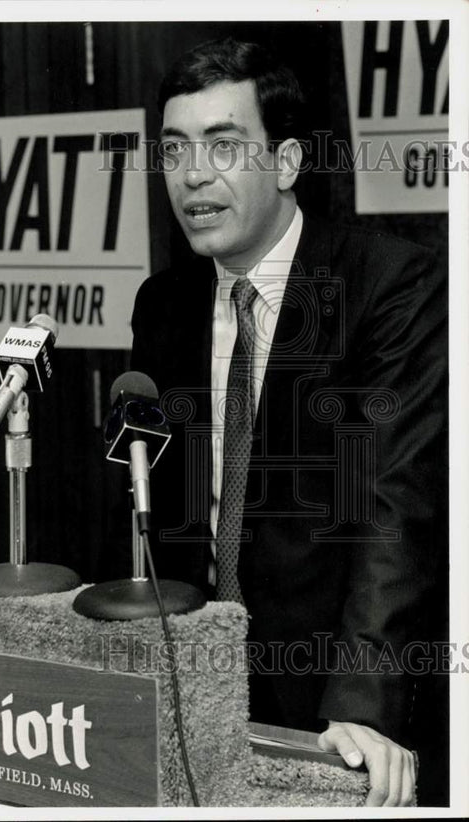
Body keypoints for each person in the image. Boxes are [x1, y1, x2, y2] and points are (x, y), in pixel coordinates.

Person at [130, 38, 447, 807]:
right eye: (174, 150)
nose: (193, 175)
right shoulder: (163, 305)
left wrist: (362, 702)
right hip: (196, 692)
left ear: (288, 161)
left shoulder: (389, 284)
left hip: (335, 700)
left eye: (223, 146)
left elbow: (396, 504)